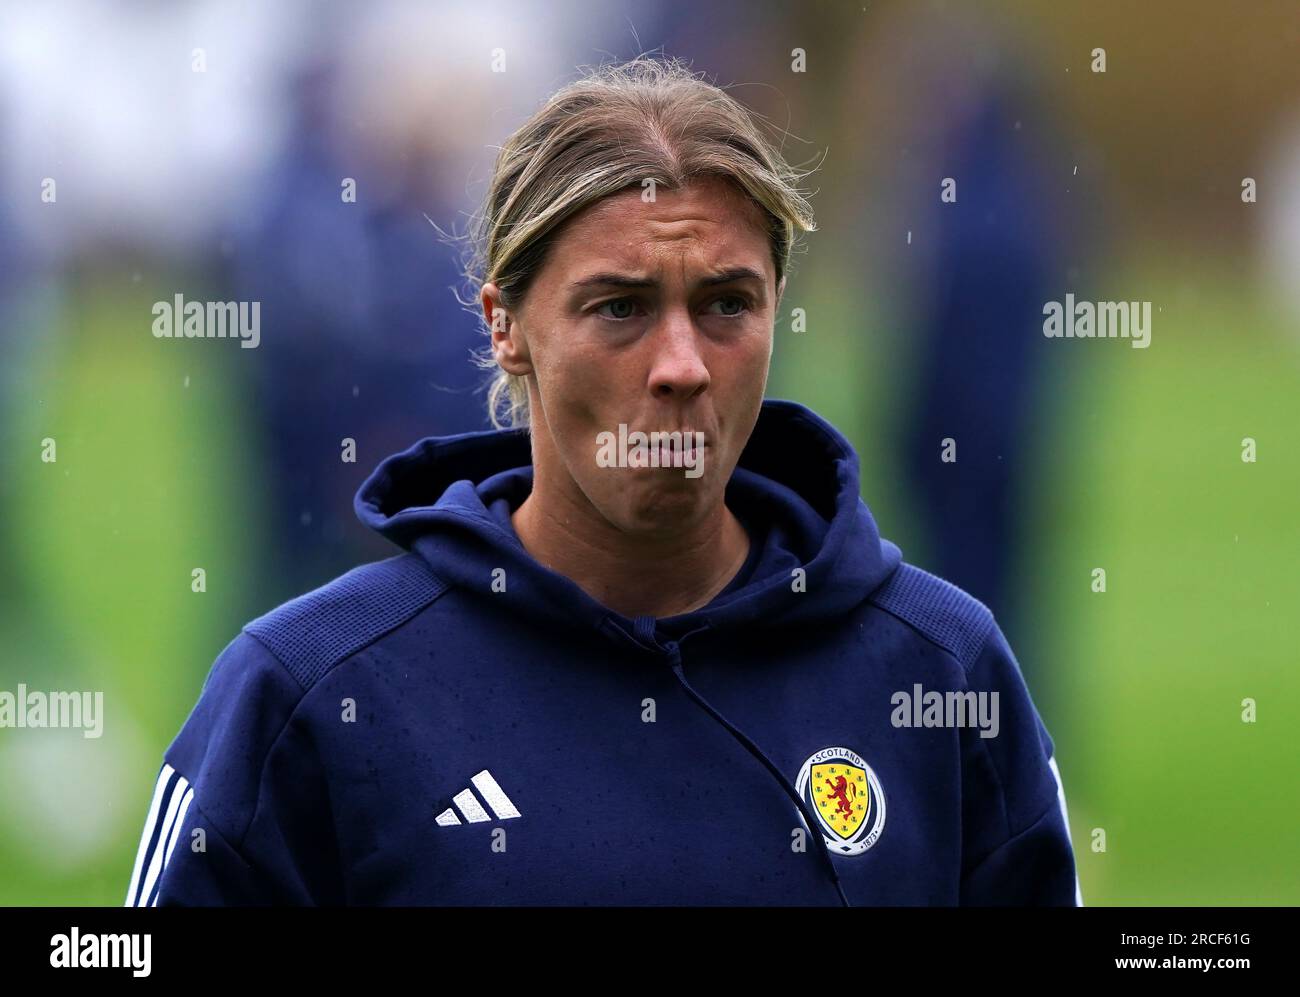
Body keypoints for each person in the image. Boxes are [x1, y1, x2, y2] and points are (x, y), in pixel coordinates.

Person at [125, 56, 1081, 906]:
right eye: (620, 306)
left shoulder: (944, 671)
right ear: (506, 324)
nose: (682, 363)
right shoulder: (306, 691)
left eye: (727, 304)